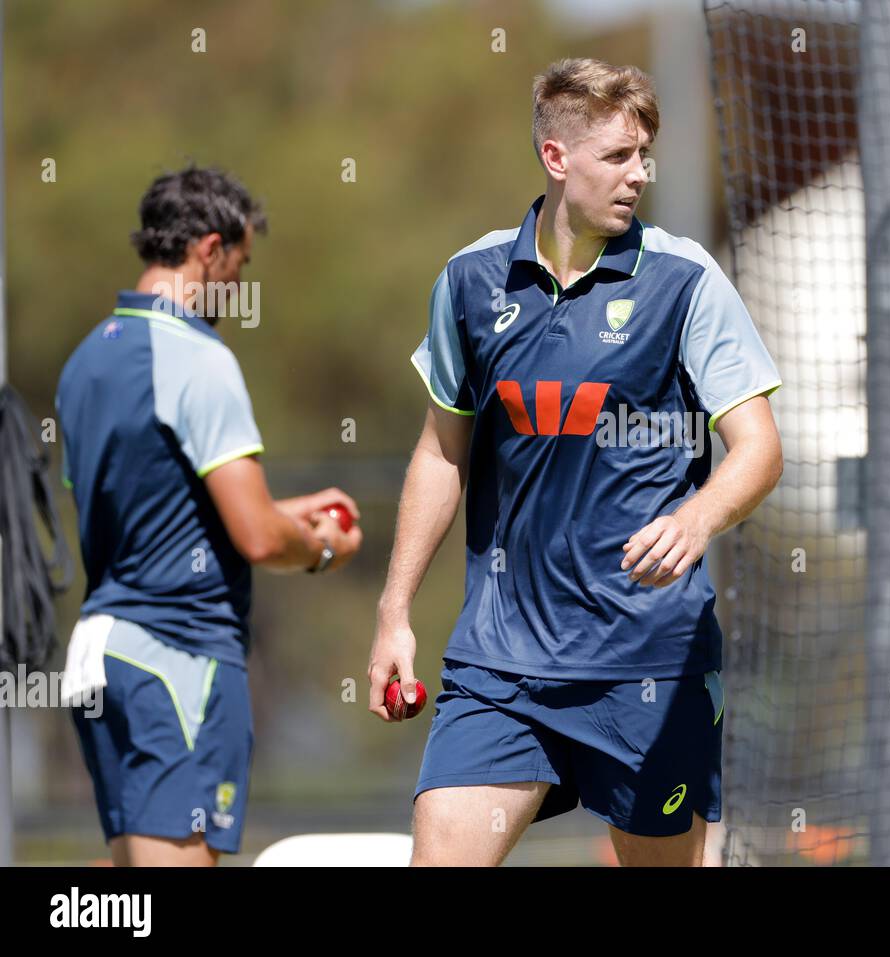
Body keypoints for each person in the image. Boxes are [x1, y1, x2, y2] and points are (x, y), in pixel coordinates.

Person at [369, 58, 783, 866]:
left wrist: (698, 516)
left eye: (645, 154)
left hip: (648, 668)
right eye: (618, 157)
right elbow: (440, 452)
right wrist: (394, 609)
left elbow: (759, 448)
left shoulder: (685, 280)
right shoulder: (469, 280)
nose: (640, 175)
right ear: (557, 159)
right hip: (499, 666)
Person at [56, 166, 363, 866]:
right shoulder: (198, 356)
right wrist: (319, 546)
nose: (240, 287)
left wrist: (285, 508)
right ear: (210, 249)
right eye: (242, 267)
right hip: (177, 658)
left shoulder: (88, 360)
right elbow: (255, 536)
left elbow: (157, 509)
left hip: (102, 654)